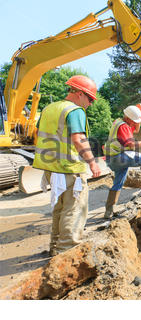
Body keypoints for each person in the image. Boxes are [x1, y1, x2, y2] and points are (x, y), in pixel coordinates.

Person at [33, 75, 101, 256]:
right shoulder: (75, 110)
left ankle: (55, 248)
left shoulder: (49, 108)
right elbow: (78, 139)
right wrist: (92, 163)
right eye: (90, 98)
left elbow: (38, 133)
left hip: (50, 168)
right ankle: (67, 251)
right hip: (69, 169)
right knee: (75, 210)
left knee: (60, 209)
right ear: (79, 94)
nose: (91, 103)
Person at [103, 105, 141, 219]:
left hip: (113, 158)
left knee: (119, 182)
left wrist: (140, 117)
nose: (135, 123)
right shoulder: (124, 127)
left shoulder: (120, 122)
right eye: (134, 120)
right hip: (118, 156)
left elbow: (135, 129)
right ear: (128, 118)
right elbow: (131, 145)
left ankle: (108, 211)